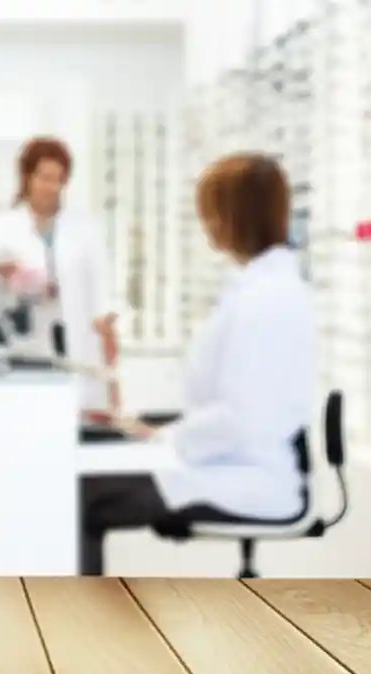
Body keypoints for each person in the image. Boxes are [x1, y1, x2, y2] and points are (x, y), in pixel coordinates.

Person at [118, 152, 316, 519]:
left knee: (88, 497)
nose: (206, 223)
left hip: (246, 478)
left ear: (234, 217)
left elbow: (241, 417)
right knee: (95, 486)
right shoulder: (259, 288)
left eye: (211, 211)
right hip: (228, 461)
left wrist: (166, 438)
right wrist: (165, 430)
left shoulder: (266, 300)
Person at [0, 136, 120, 412]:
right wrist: (15, 282)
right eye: (44, 178)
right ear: (27, 177)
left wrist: (112, 377)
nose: (52, 187)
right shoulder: (2, 227)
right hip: (25, 347)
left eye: (59, 179)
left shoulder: (86, 228)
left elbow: (104, 290)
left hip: (79, 347)